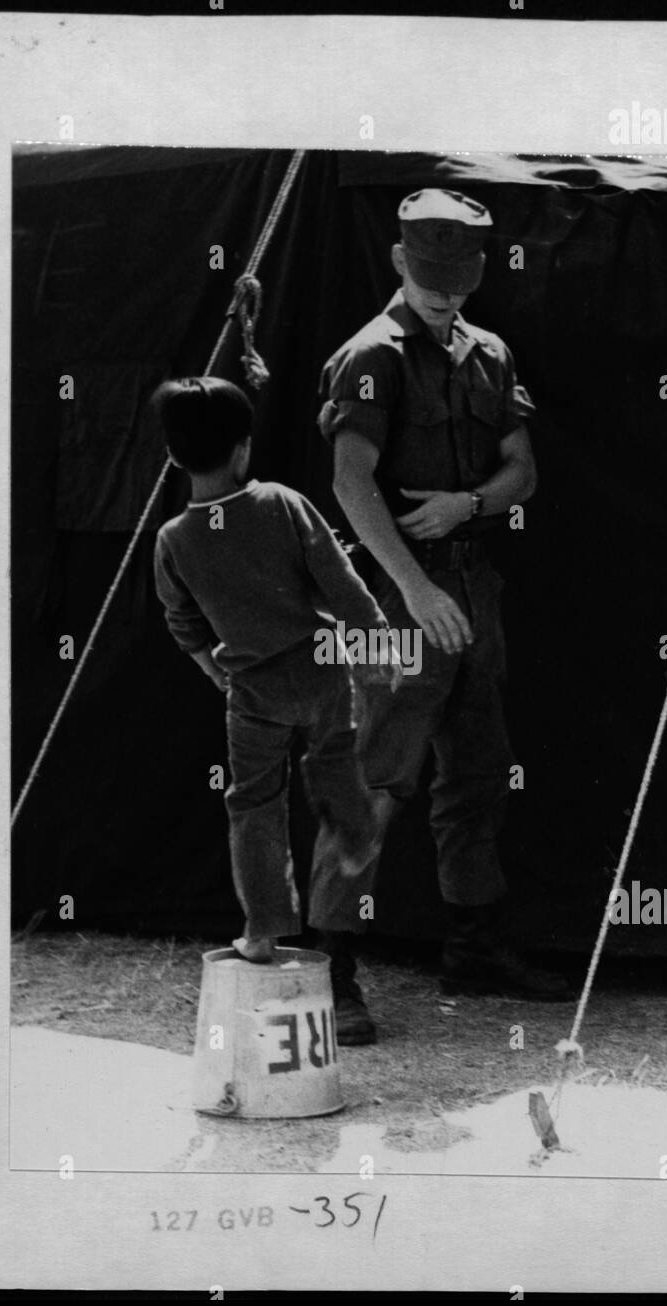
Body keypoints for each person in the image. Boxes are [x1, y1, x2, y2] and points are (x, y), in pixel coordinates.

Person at [314, 187, 572, 1036]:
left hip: (473, 584)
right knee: (376, 778)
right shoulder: (373, 355)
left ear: (480, 271)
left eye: (458, 279)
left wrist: (468, 505)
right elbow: (351, 483)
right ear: (398, 260)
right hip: (397, 593)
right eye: (429, 275)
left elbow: (520, 471)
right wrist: (414, 593)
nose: (443, 294)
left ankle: (473, 947)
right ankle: (334, 970)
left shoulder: (489, 352)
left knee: (476, 773)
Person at [152, 377, 399, 1041]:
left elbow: (183, 623)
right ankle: (354, 828)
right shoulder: (283, 504)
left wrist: (215, 671)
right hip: (318, 669)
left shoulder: (174, 539)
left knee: (255, 803)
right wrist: (377, 643)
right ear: (242, 450)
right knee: (334, 754)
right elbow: (342, 585)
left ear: (174, 457)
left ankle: (262, 928)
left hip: (252, 690)